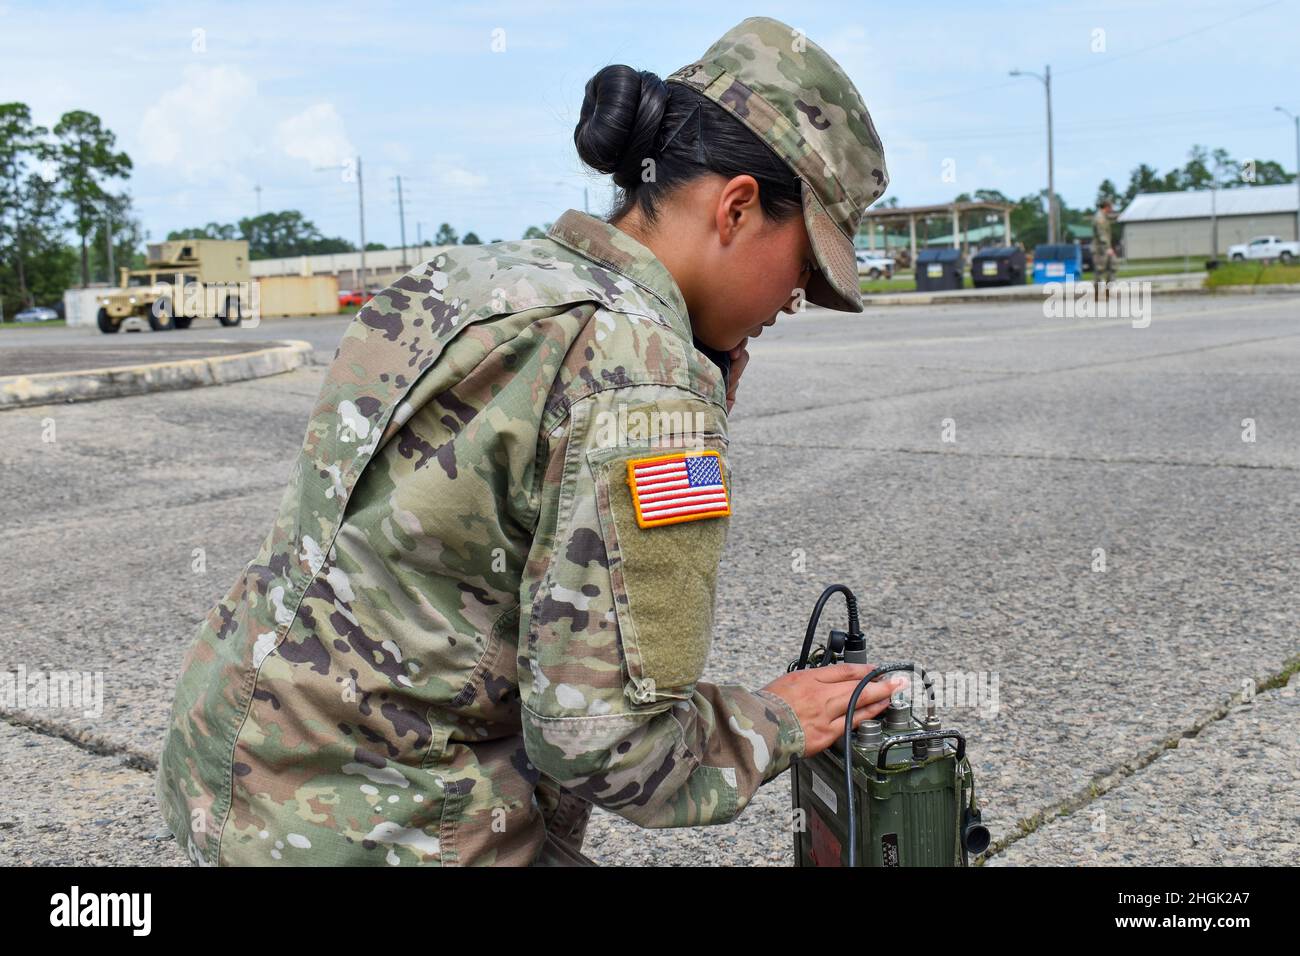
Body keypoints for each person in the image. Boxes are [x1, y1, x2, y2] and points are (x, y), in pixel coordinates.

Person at [155, 15, 903, 867]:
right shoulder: (645, 375)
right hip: (386, 827)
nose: (797, 299)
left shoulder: (470, 278)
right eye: (804, 265)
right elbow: (609, 743)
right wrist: (776, 721)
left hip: (236, 767)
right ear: (736, 207)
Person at [1093, 199, 1118, 298]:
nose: (1111, 209)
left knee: (1111, 268)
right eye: (1110, 207)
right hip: (1101, 249)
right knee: (1100, 270)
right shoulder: (1100, 218)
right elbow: (1102, 234)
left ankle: (1106, 292)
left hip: (1103, 248)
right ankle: (1098, 294)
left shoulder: (1103, 216)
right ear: (1107, 207)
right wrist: (1108, 248)